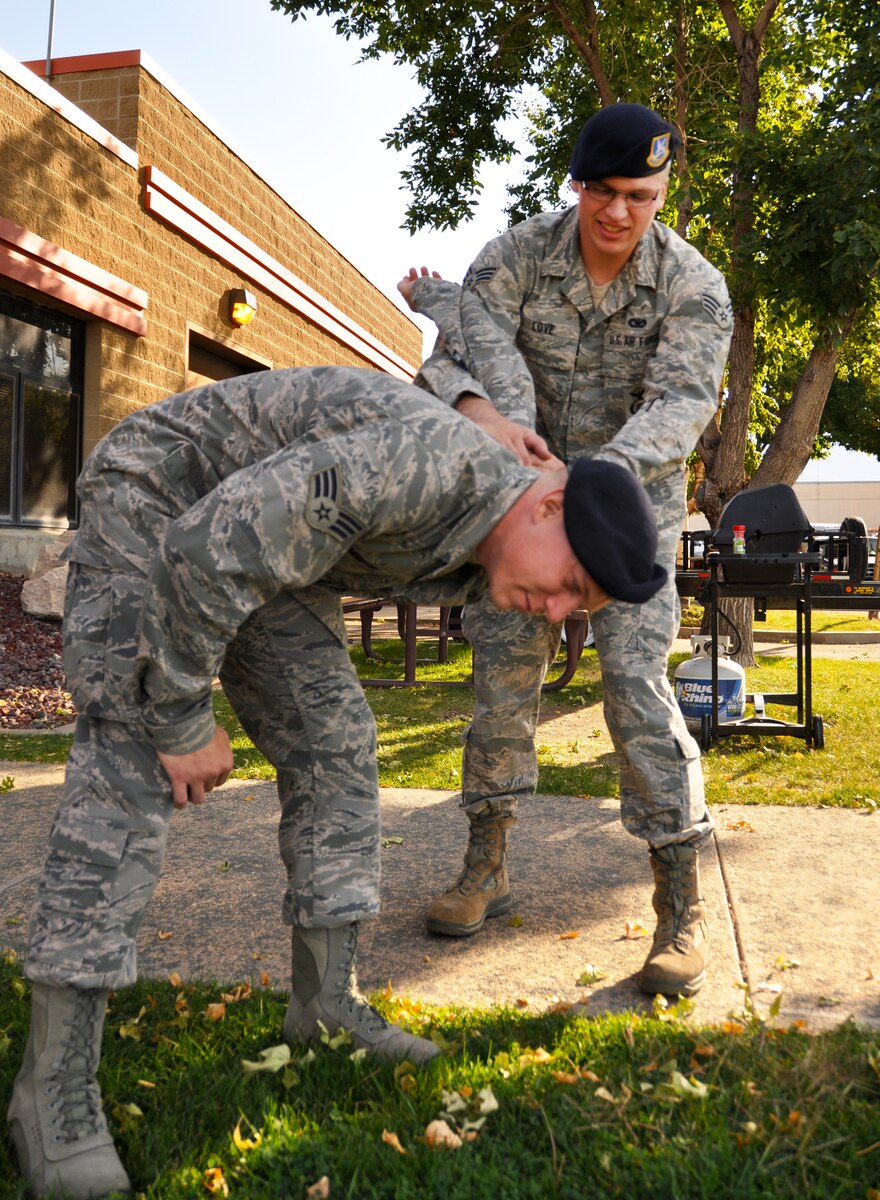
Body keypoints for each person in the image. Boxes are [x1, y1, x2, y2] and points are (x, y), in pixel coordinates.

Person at [7, 335, 667, 1200]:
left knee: (337, 747)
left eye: (579, 606)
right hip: (165, 496)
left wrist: (481, 409)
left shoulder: (513, 507)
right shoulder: (422, 473)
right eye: (570, 584)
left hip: (262, 541)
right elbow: (208, 548)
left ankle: (326, 1007)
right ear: (546, 509)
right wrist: (178, 715)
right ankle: (49, 1089)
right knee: (128, 760)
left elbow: (454, 409)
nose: (557, 611)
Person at [409, 102, 733, 999]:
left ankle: (678, 901)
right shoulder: (510, 258)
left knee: (637, 689)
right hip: (521, 514)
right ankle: (487, 863)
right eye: (603, 190)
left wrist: (593, 486)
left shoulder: (695, 286)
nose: (620, 211)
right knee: (501, 678)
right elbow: (453, 362)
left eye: (641, 194)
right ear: (578, 184)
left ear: (663, 191)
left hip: (629, 519)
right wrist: (491, 424)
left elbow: (682, 405)